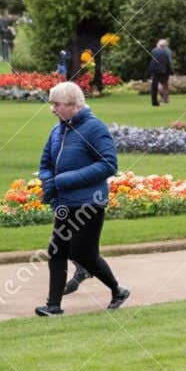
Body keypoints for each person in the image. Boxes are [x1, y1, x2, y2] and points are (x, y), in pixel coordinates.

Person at [34, 81, 127, 316]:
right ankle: (53, 305)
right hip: (64, 203)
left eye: (57, 104)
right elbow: (45, 163)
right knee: (57, 251)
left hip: (89, 203)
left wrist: (64, 180)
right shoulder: (57, 131)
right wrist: (49, 183)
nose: (53, 109)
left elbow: (108, 164)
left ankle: (117, 290)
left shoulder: (95, 128)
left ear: (73, 105)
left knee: (84, 254)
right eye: (52, 104)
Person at [148, 38, 175, 106]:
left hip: (155, 70)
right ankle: (165, 99)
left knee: (156, 85)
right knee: (164, 84)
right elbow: (169, 62)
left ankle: (158, 100)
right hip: (164, 70)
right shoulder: (167, 51)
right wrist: (171, 70)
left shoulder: (154, 50)